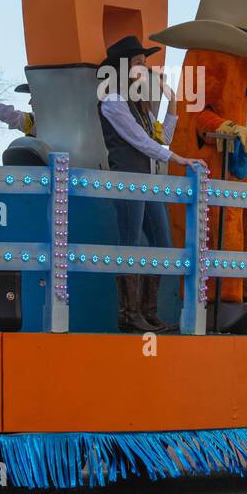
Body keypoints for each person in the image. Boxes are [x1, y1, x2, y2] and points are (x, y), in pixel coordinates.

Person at [97, 35, 205, 333]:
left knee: (161, 244)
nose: (145, 69)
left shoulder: (139, 105)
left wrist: (172, 104)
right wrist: (179, 159)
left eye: (145, 64)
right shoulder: (113, 101)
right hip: (129, 181)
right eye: (138, 64)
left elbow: (161, 139)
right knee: (129, 244)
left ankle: (147, 311)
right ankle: (130, 313)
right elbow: (141, 142)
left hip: (147, 182)